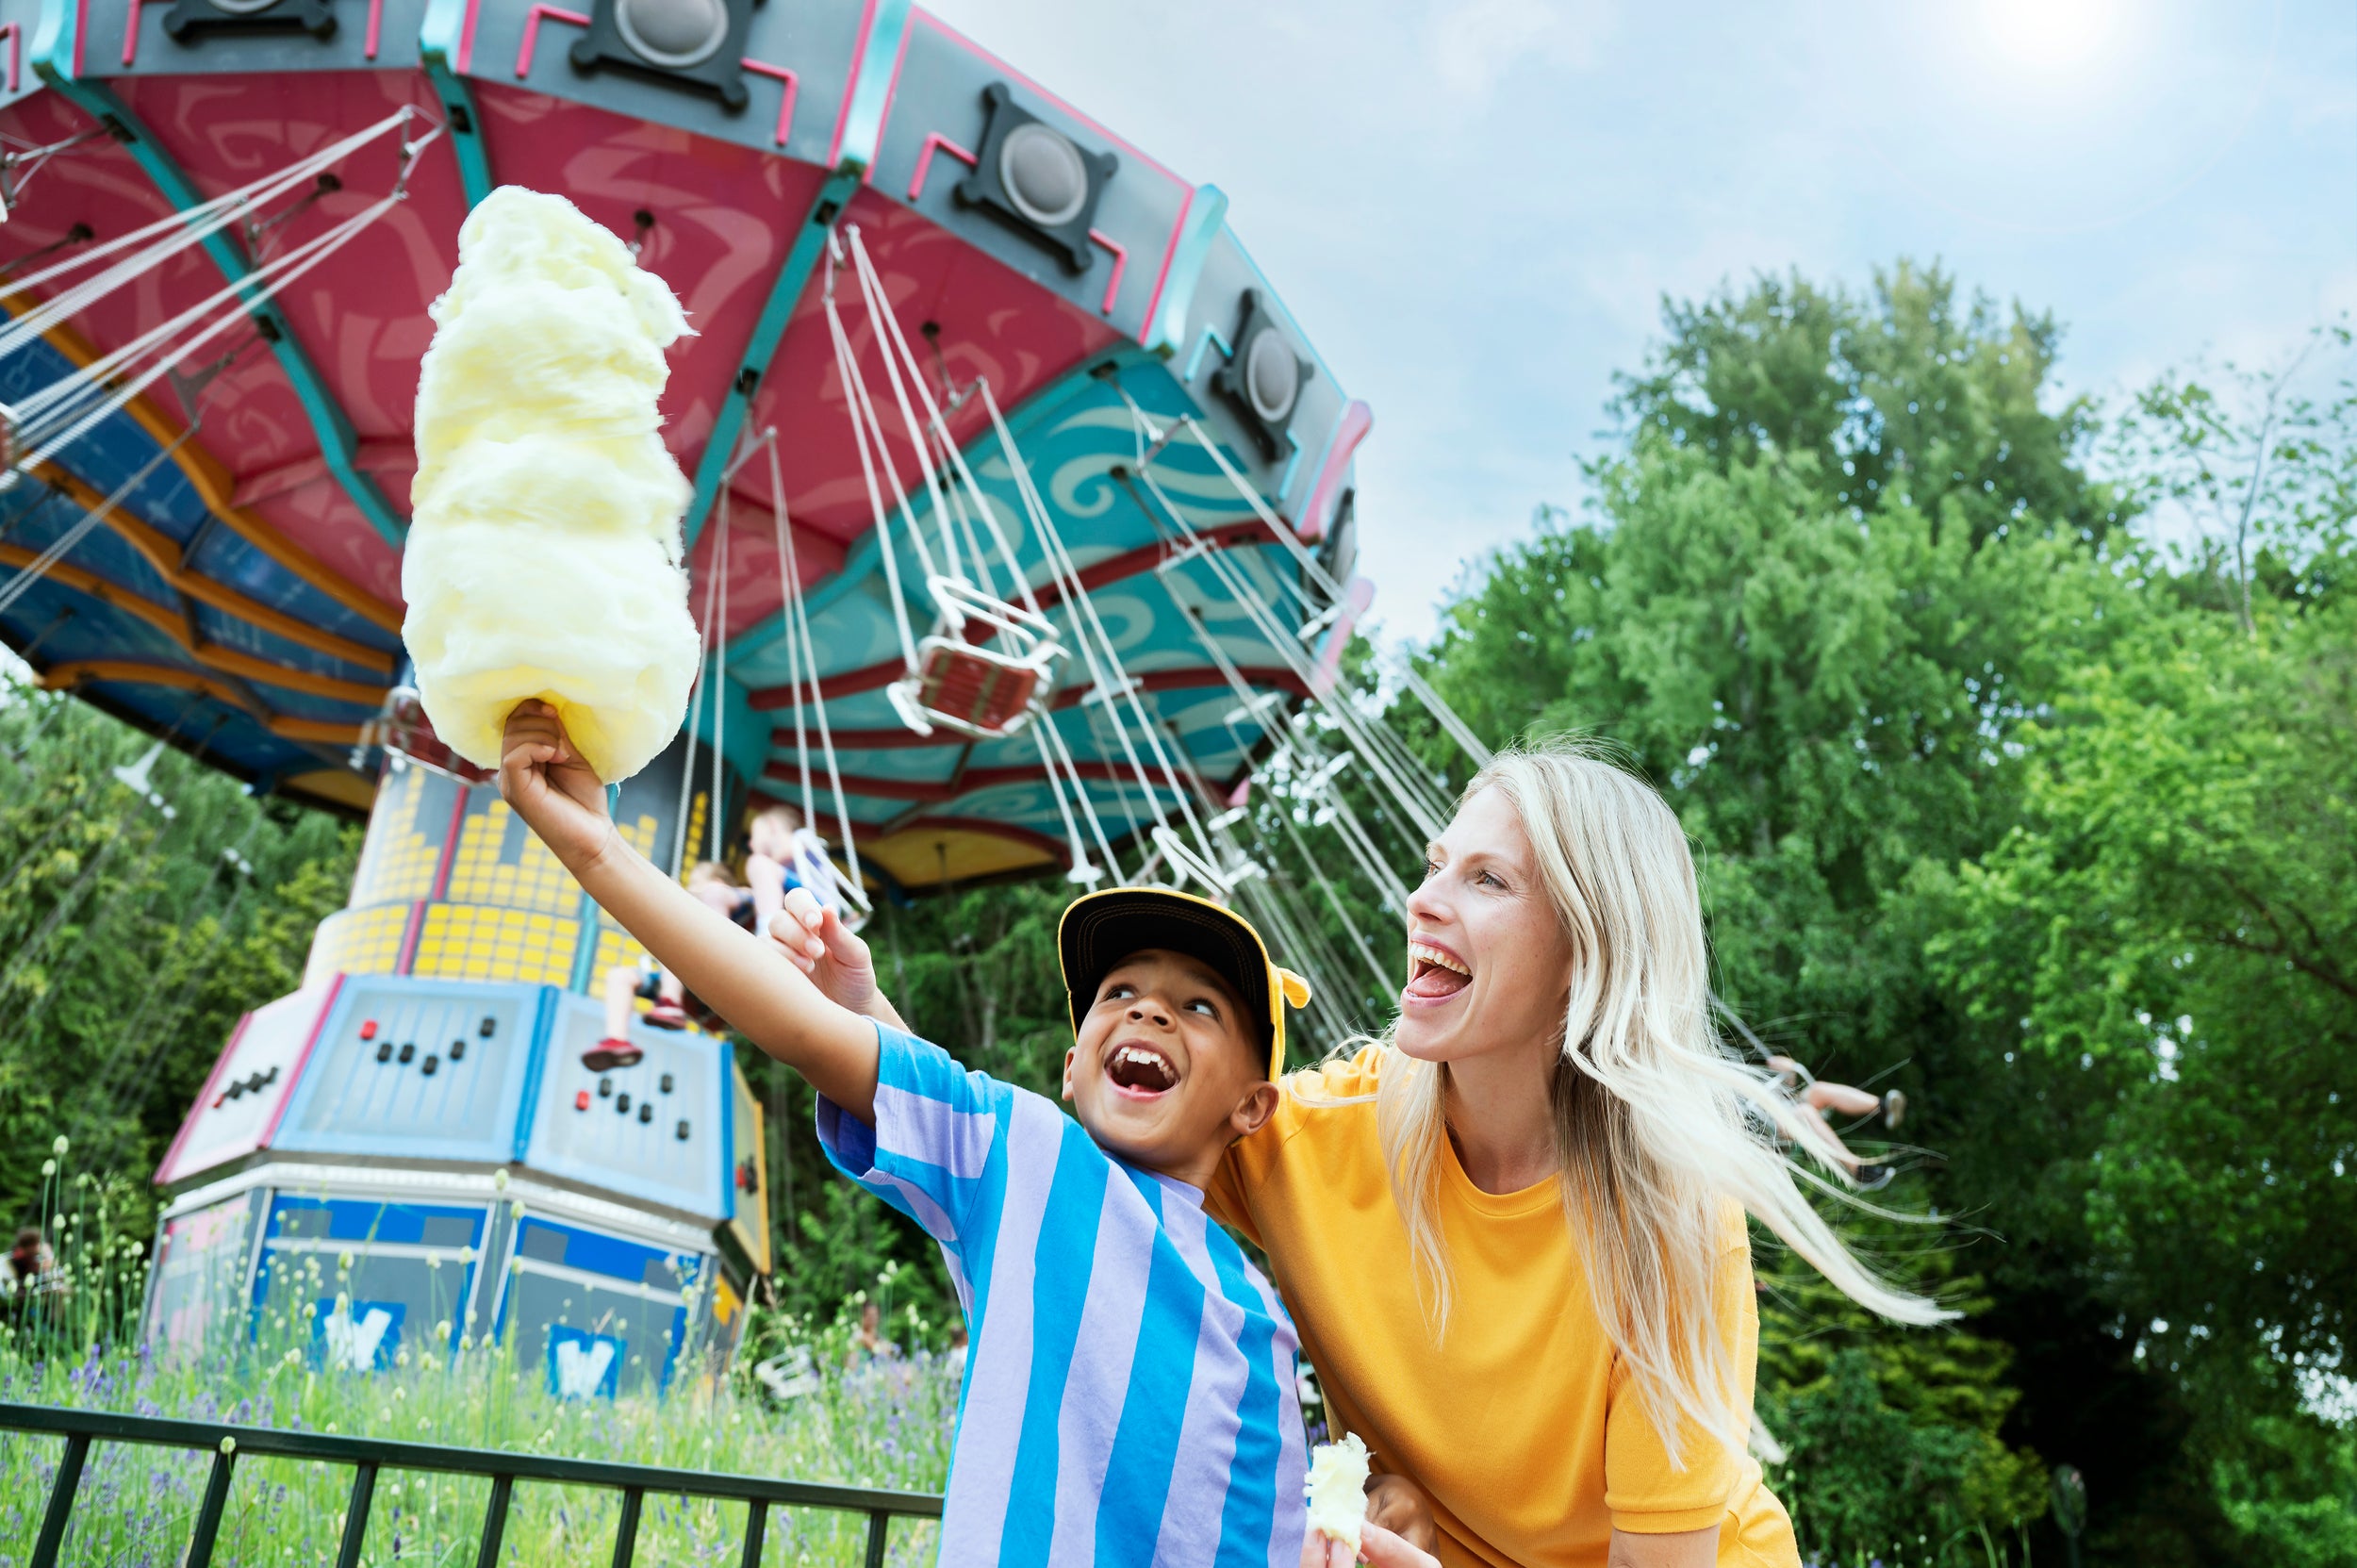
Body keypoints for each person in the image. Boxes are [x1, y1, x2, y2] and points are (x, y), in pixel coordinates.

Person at [499, 700, 1377, 1565]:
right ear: (1072, 1069)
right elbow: (811, 1038)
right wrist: (599, 848)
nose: (1148, 1006)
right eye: (1118, 992)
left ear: (1252, 1107)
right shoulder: (1032, 1158)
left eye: (1198, 1005)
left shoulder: (1262, 1312)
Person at [1234, 742, 1947, 1568]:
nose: (1421, 900)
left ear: (1586, 953)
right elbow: (1091, 1162)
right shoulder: (1316, 1135)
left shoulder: (1666, 1227)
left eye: (1487, 879)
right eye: (1435, 865)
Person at [588, 860, 748, 1071]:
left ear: (717, 881)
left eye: (695, 883)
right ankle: (617, 1041)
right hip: (693, 983)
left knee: (675, 930)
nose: (690, 888)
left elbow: (721, 894)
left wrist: (677, 894)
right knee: (620, 977)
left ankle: (670, 1001)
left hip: (731, 970)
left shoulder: (738, 897)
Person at [1764, 1055, 1906, 1191]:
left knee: (1817, 1090)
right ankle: (1857, 1171)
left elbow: (1787, 1086)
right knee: (1805, 1112)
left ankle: (1882, 1108)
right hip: (1764, 1133)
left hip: (1779, 1109)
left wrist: (1788, 1068)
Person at [745, 801, 853, 933]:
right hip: (799, 899)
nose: (750, 844)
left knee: (758, 863)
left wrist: (761, 859)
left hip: (818, 900)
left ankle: (766, 930)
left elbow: (787, 851)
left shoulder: (801, 837)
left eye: (754, 834)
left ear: (772, 825)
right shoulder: (779, 868)